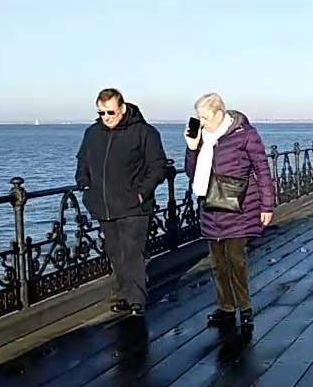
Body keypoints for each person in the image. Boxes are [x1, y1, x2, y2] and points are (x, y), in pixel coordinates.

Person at [184, 92, 276, 330]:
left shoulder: (245, 135)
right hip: (210, 203)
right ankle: (226, 307)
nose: (201, 122)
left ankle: (245, 308)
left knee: (236, 259)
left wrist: (267, 205)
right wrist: (192, 149)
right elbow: (192, 173)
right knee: (217, 262)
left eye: (204, 117)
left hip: (239, 205)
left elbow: (262, 170)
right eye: (199, 117)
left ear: (219, 113)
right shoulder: (202, 137)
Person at [76, 88, 169, 317]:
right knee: (115, 252)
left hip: (134, 206)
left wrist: (141, 193)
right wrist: (85, 186)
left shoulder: (144, 133)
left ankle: (136, 300)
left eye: (110, 112)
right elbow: (82, 163)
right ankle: (123, 295)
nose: (106, 117)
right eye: (101, 113)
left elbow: (158, 167)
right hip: (103, 204)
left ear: (122, 108)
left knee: (132, 252)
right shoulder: (92, 133)